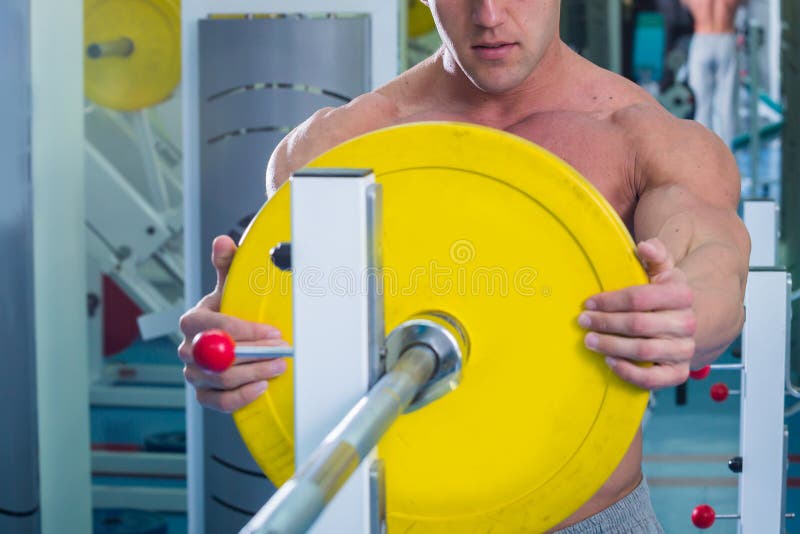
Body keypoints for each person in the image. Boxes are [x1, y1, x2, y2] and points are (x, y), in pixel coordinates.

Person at [179, 1, 750, 531]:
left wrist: (681, 314)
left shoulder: (640, 136)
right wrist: (233, 341)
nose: (489, 15)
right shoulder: (342, 143)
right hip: (396, 515)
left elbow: (714, 261)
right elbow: (263, 298)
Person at [682, 0, 746, 145]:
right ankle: (728, 155)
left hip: (702, 38)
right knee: (727, 104)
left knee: (700, 103)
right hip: (726, 38)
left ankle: (704, 154)